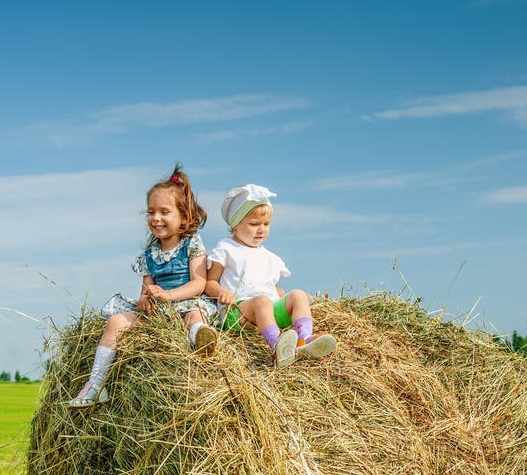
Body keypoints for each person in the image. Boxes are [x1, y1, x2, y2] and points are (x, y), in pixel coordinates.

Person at [69, 164, 218, 408]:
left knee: (195, 316)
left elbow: (199, 283)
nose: (156, 218)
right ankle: (96, 384)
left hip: (186, 302)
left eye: (164, 212)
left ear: (184, 217)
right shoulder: (149, 254)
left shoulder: (192, 244)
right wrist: (145, 299)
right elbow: (145, 290)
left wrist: (169, 295)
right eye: (151, 212)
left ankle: (202, 340)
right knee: (115, 322)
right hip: (159, 313)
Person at [205, 183, 336, 368]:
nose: (261, 229)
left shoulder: (269, 257)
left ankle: (304, 339)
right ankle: (277, 345)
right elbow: (210, 281)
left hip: (268, 312)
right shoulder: (226, 249)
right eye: (254, 224)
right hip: (238, 313)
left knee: (298, 294)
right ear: (235, 225)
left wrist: (289, 302)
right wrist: (221, 292)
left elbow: (271, 287)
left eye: (266, 224)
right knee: (262, 301)